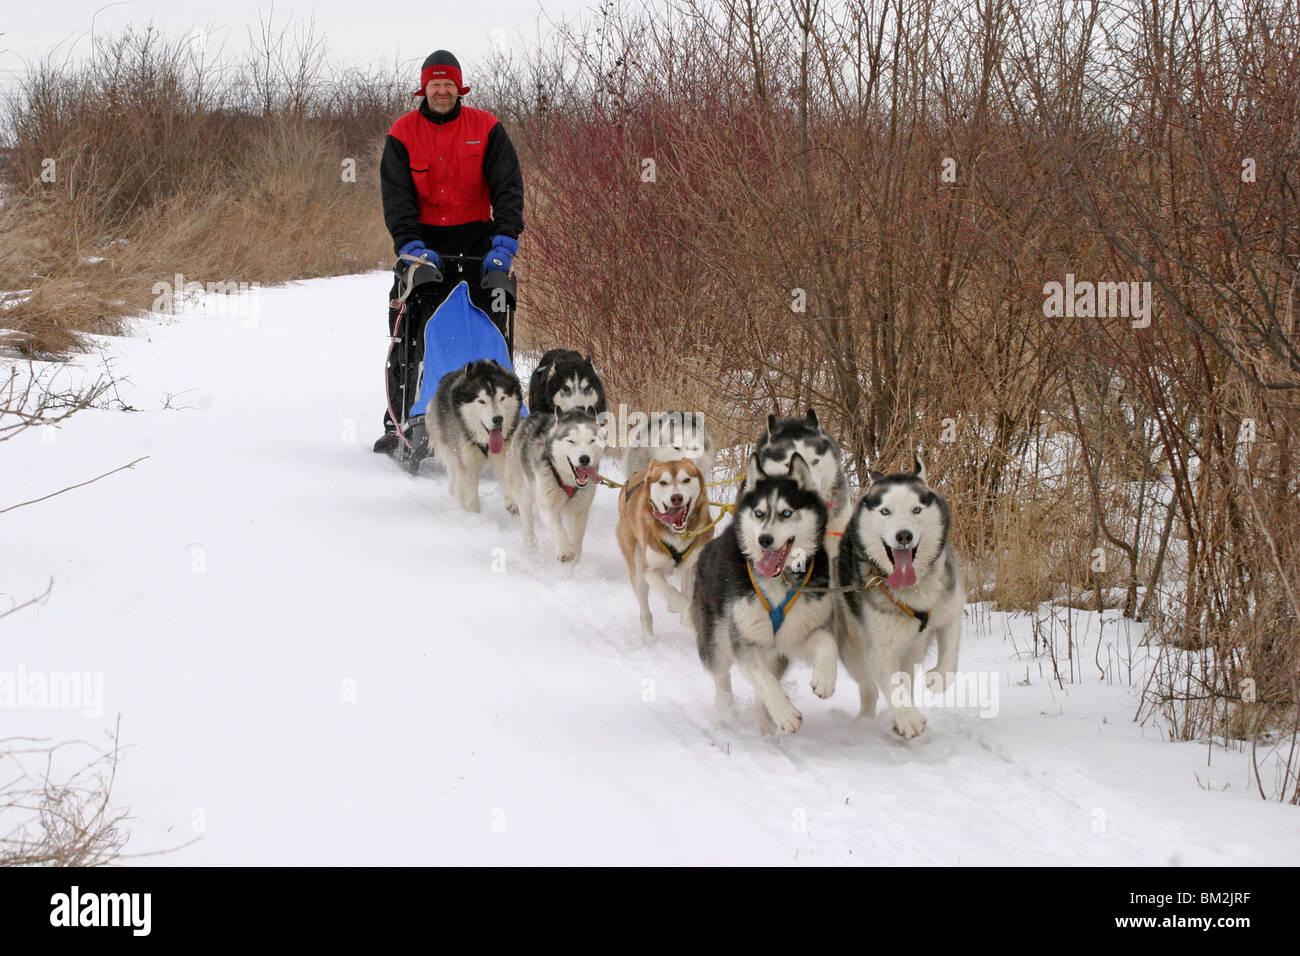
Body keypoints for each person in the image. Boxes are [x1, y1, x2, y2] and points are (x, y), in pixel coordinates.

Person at [374, 49, 525, 453]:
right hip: (424, 246)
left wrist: (504, 245)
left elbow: (508, 188)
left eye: (449, 84)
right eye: (435, 84)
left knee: (490, 334)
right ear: (424, 88)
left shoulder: (487, 128)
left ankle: (496, 423)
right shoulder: (403, 132)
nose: (442, 91)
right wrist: (411, 247)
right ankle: (399, 420)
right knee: (410, 330)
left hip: (479, 243)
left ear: (460, 87)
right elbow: (397, 197)